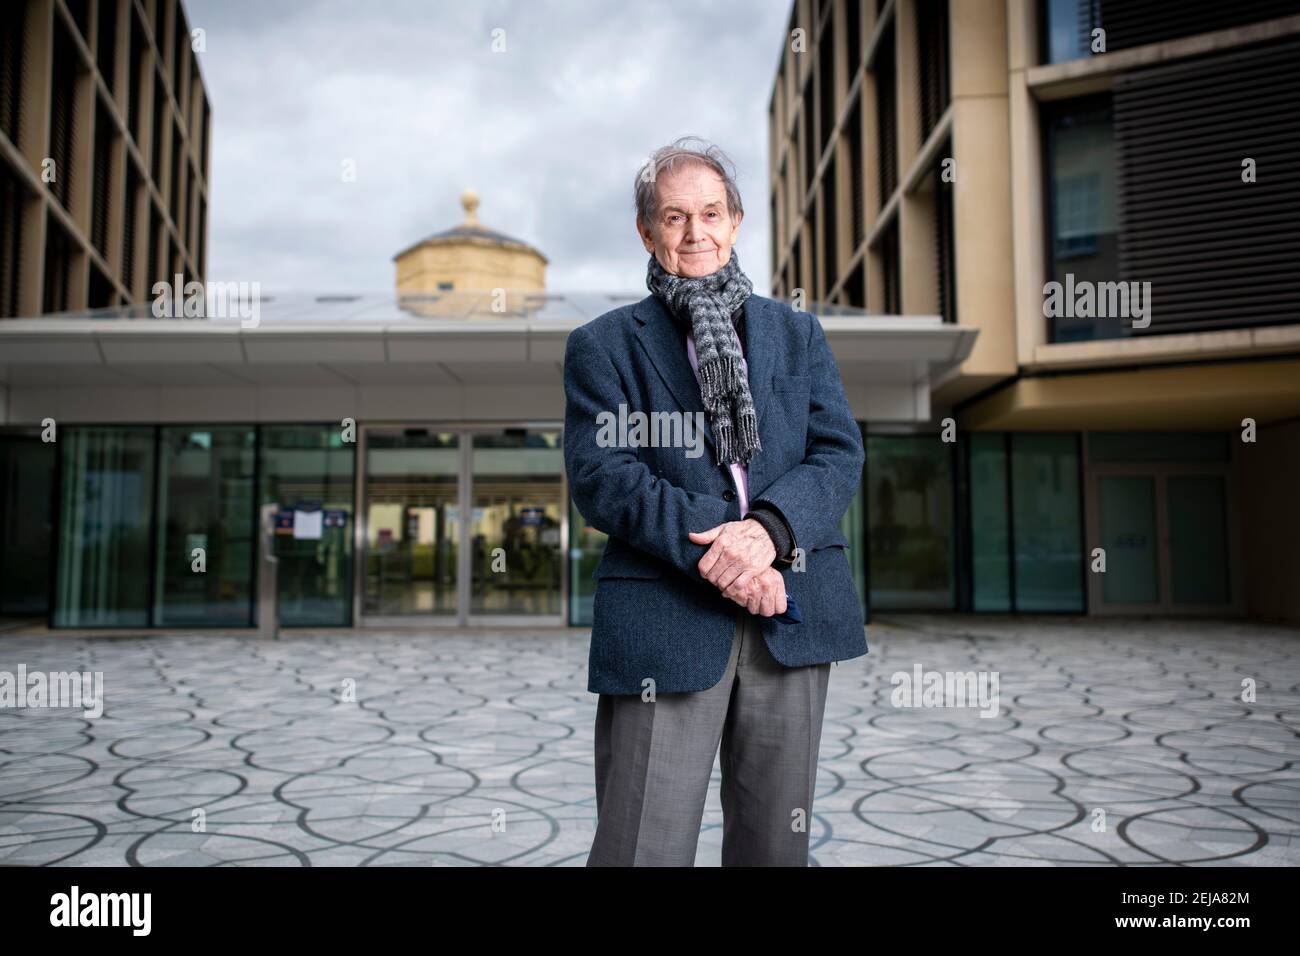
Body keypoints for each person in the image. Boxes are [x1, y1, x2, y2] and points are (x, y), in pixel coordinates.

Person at [563, 135, 867, 866]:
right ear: (646, 232)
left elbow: (839, 453)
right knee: (645, 845)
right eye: (673, 218)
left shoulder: (797, 335)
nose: (694, 233)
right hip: (665, 622)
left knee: (773, 846)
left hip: (788, 616)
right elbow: (605, 476)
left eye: (709, 213)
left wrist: (766, 532)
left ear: (734, 223)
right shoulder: (603, 346)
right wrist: (728, 547)